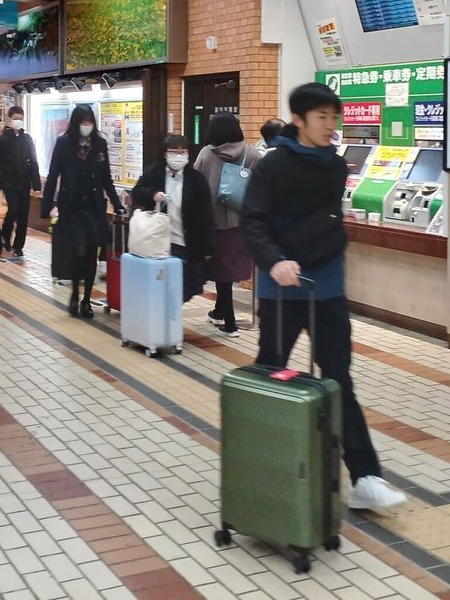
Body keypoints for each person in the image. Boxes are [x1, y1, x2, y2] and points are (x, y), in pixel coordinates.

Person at [240, 82, 407, 512]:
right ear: (298, 120)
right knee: (270, 377)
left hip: (327, 289)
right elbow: (254, 221)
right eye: (322, 118)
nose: (331, 126)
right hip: (282, 289)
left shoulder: (336, 166)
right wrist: (275, 260)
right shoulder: (271, 167)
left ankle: (365, 478)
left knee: (338, 382)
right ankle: (261, 465)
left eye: (335, 117)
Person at [40, 104, 124, 319]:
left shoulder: (100, 144)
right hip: (72, 207)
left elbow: (106, 178)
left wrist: (117, 203)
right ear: (76, 123)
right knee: (77, 250)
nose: (87, 126)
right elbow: (53, 175)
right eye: (83, 122)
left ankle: (86, 299)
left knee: (91, 254)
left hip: (94, 208)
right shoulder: (64, 143)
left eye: (90, 122)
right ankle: (75, 295)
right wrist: (47, 205)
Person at [193, 112, 257, 338]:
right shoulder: (251, 153)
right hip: (241, 221)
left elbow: (194, 182)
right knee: (228, 271)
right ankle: (219, 311)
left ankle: (230, 323)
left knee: (222, 272)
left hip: (214, 221)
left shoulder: (207, 154)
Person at [130, 134, 214, 304]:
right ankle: (163, 323)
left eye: (183, 152)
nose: (178, 156)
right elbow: (137, 193)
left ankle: (170, 321)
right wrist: (153, 194)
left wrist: (208, 246)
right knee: (160, 286)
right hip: (159, 242)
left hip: (186, 242)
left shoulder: (197, 179)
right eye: (174, 152)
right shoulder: (153, 173)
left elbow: (206, 213)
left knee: (185, 288)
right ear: (165, 153)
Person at [0, 106, 42, 257]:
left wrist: (36, 185)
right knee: (13, 208)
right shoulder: (2, 139)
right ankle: (5, 235)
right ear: (9, 119)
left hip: (24, 181)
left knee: (23, 214)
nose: (18, 121)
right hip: (8, 181)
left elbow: (33, 161)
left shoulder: (27, 139)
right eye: (15, 118)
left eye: (21, 118)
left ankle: (18, 245)